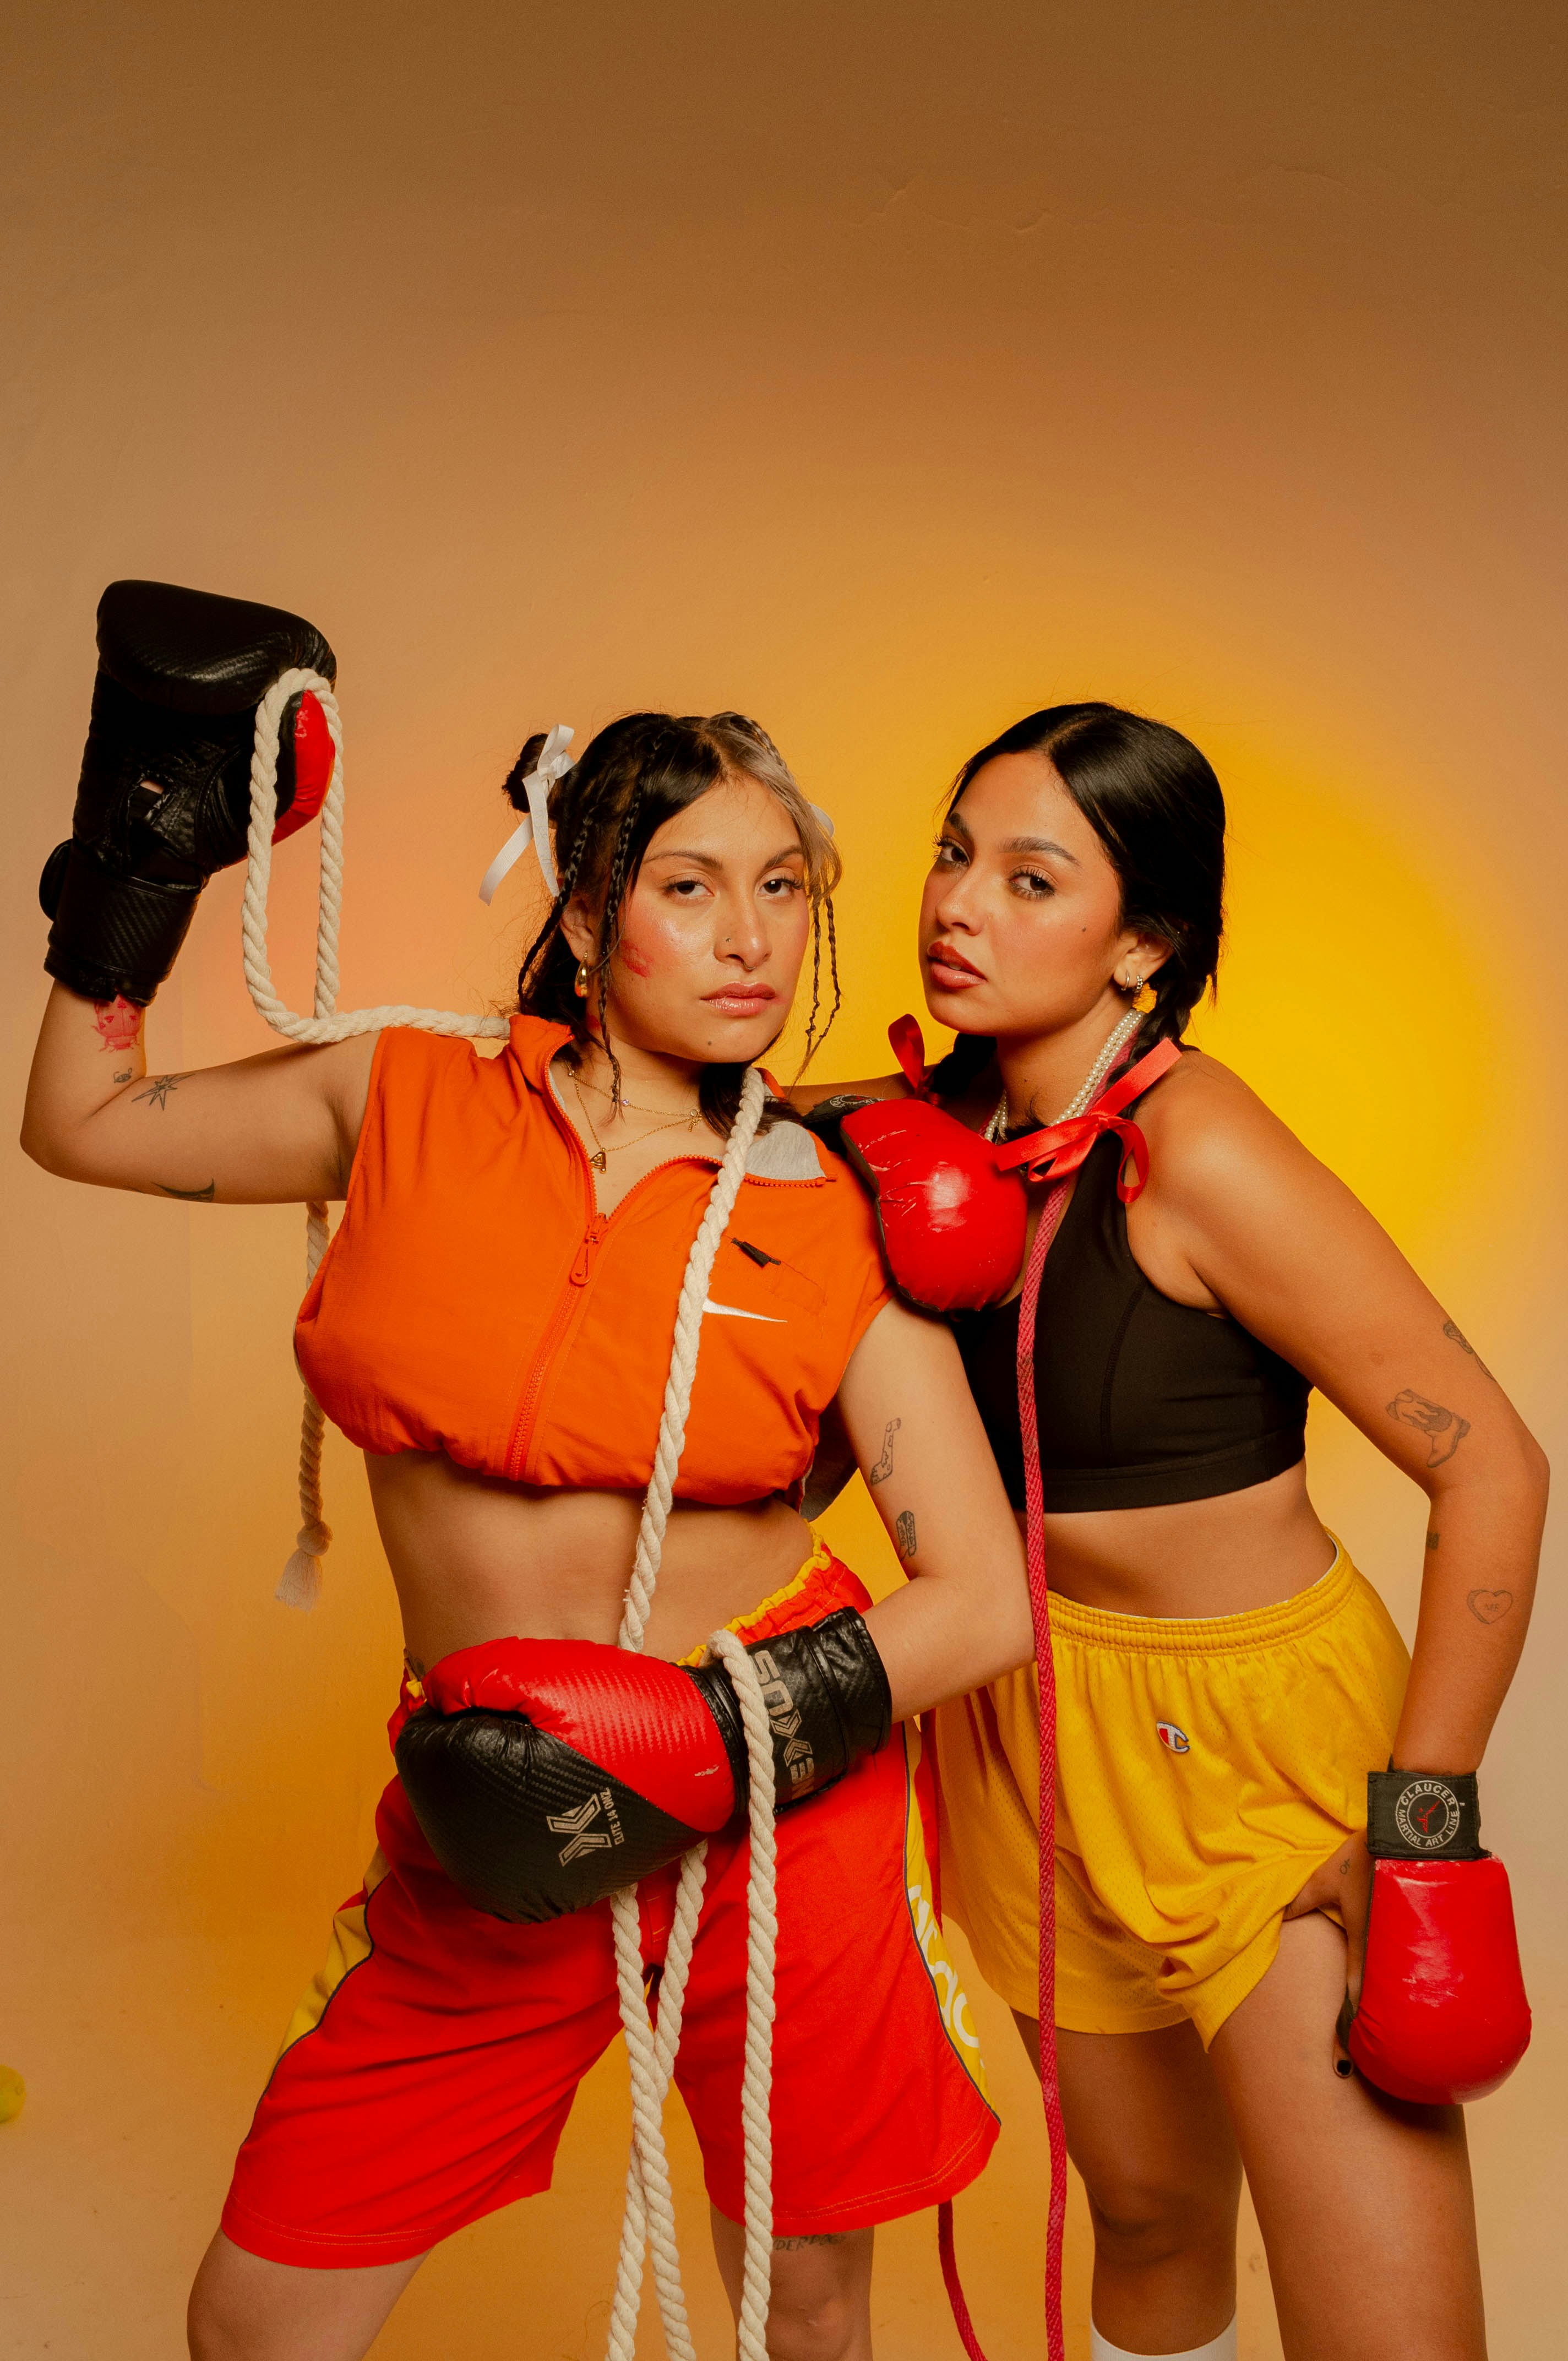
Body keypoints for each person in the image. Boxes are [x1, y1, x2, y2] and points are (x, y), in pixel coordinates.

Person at [21, 583, 1033, 2361]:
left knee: (806, 2307)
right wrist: (134, 872)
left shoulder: (834, 1212)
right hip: (493, 1825)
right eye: (688, 885)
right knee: (258, 2319)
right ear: (584, 908)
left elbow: (984, 1599)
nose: (748, 939)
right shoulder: (399, 1100)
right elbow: (84, 1123)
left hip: (791, 1835)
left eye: (781, 888)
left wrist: (715, 1742)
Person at [791, 702, 1546, 2361]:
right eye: (952, 854)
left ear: (1145, 941)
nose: (959, 906)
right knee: (1142, 2223)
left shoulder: (1204, 1154)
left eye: (1031, 876)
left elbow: (1494, 1462)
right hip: (1026, 1732)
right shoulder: (916, 1135)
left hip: (1264, 1774)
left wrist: (1415, 1834)